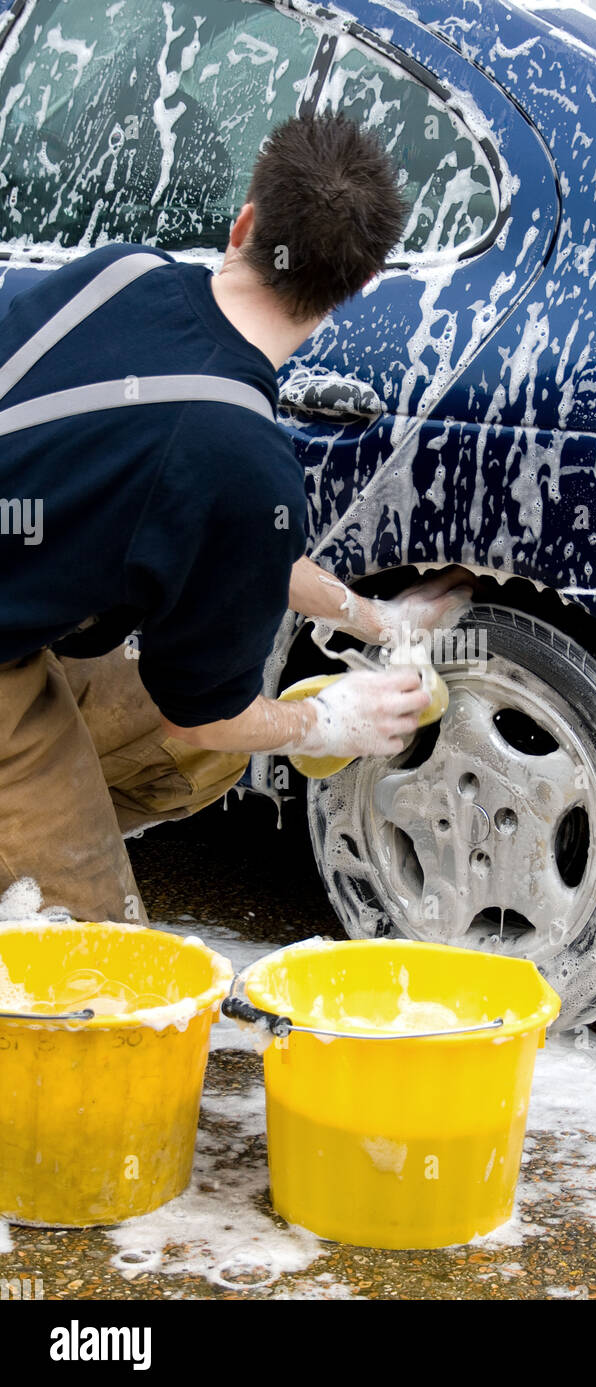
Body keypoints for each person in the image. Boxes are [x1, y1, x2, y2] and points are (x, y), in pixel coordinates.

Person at [0, 113, 471, 926]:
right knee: (96, 982)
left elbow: (220, 536)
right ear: (361, 286)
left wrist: (373, 618)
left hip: (19, 616)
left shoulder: (122, 274)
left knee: (188, 759)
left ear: (244, 222)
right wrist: (328, 721)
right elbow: (206, 713)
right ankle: (38, 908)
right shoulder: (239, 458)